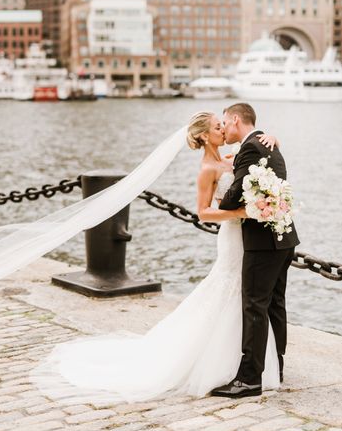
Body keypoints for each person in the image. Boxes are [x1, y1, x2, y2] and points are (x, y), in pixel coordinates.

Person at [28, 111, 283, 403]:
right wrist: (239, 213)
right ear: (203, 136)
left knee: (244, 296)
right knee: (231, 291)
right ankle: (226, 366)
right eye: (216, 126)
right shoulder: (207, 169)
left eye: (223, 124)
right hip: (232, 235)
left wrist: (274, 137)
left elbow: (257, 152)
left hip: (244, 237)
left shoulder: (232, 157)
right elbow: (203, 212)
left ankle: (247, 367)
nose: (223, 129)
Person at [210, 102, 300, 398]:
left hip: (263, 243)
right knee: (275, 304)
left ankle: (249, 379)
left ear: (236, 119)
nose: (224, 128)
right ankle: (277, 367)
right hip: (284, 238)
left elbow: (236, 191)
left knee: (253, 306)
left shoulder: (252, 147)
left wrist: (221, 203)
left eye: (225, 122)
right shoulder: (269, 144)